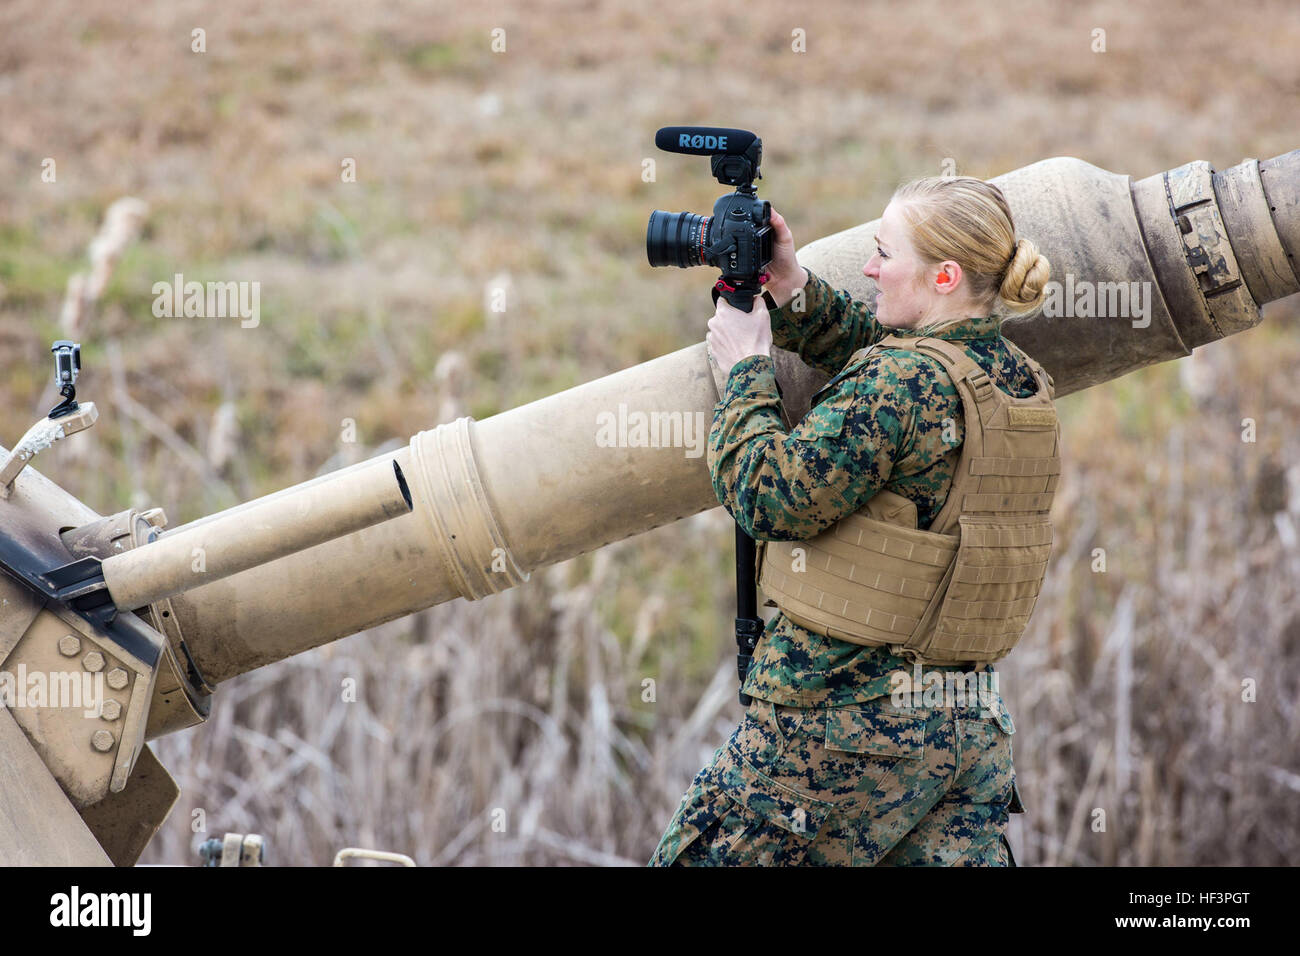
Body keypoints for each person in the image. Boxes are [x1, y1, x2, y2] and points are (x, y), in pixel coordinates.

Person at [649, 176, 1057, 866]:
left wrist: (746, 370)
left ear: (945, 275)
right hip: (966, 735)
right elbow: (883, 362)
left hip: (840, 729)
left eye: (883, 254)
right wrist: (791, 286)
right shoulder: (1017, 383)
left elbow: (771, 494)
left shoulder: (899, 386)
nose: (869, 268)